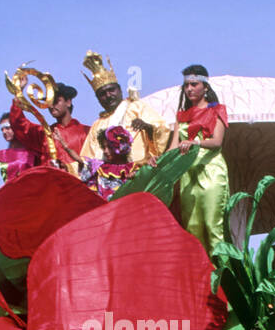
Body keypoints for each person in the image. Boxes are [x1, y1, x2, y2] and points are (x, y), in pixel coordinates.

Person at [169, 64, 229, 253]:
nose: (189, 89)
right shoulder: (181, 117)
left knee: (213, 227)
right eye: (186, 86)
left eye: (194, 84)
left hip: (211, 170)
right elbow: (172, 148)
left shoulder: (217, 110)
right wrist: (157, 161)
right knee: (192, 230)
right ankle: (200, 280)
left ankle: (221, 279)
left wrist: (195, 143)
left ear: (205, 87)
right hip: (188, 176)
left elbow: (217, 142)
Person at [80, 50, 170, 167]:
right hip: (109, 179)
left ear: (120, 90)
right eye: (103, 93)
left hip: (139, 171)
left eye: (111, 90)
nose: (108, 95)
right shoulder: (97, 126)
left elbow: (162, 128)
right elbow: (87, 159)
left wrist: (147, 127)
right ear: (98, 99)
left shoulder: (136, 107)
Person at [7, 81, 89, 173]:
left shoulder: (86, 132)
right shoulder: (44, 134)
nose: (51, 105)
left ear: (68, 102)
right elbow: (19, 124)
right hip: (50, 184)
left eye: (55, 101)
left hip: (79, 184)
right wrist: (18, 92)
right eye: (49, 102)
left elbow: (94, 162)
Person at [64, 125, 142, 200]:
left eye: (109, 147)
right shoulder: (100, 166)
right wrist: (65, 147)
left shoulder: (132, 168)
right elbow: (80, 160)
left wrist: (135, 175)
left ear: (119, 148)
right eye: (104, 147)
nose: (105, 151)